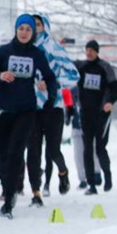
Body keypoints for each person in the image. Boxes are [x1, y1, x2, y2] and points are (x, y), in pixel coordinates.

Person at [0, 14, 57, 218]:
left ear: (33, 33)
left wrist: (50, 100)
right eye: (21, 28)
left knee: (16, 152)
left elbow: (51, 79)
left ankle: (8, 201)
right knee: (3, 154)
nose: (24, 32)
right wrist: (0, 76)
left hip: (26, 110)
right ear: (16, 30)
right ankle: (8, 189)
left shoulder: (36, 54)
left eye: (28, 29)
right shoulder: (4, 51)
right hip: (2, 110)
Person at [26, 13, 79, 202]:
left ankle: (63, 173)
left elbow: (74, 75)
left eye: (38, 24)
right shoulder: (25, 49)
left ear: (45, 26)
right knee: (33, 151)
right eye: (32, 25)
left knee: (53, 150)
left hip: (53, 106)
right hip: (31, 107)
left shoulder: (54, 48)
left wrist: (53, 83)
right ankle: (35, 193)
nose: (35, 28)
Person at [75, 40, 117, 194]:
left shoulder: (104, 67)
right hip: (86, 113)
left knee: (100, 147)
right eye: (87, 50)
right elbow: (66, 68)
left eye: (92, 50)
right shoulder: (81, 66)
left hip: (102, 113)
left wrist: (110, 102)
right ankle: (91, 185)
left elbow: (115, 88)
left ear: (97, 51)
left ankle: (108, 177)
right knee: (87, 148)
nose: (89, 53)